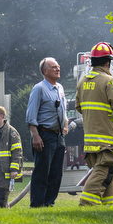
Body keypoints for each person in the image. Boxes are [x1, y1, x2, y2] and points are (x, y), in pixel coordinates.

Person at [75, 42, 113, 206]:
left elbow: (79, 107)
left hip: (90, 140)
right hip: (106, 139)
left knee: (108, 173)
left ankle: (111, 206)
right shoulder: (109, 81)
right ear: (107, 62)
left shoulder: (83, 82)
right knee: (103, 171)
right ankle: (86, 204)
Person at [26, 57, 69, 207]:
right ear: (45, 71)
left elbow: (63, 110)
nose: (58, 69)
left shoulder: (60, 88)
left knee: (56, 173)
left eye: (58, 66)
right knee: (42, 172)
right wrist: (35, 135)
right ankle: (37, 205)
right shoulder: (39, 89)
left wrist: (65, 124)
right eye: (53, 67)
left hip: (58, 136)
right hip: (44, 135)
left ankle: (49, 203)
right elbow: (31, 115)